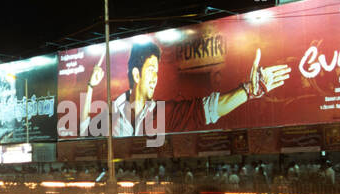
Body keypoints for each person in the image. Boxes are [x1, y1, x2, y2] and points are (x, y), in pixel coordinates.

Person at [80, 40, 291, 138]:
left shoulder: (165, 113)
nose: (156, 77)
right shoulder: (112, 113)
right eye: (151, 70)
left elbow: (208, 108)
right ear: (136, 75)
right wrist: (90, 87)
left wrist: (247, 91)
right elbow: (81, 132)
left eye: (157, 71)